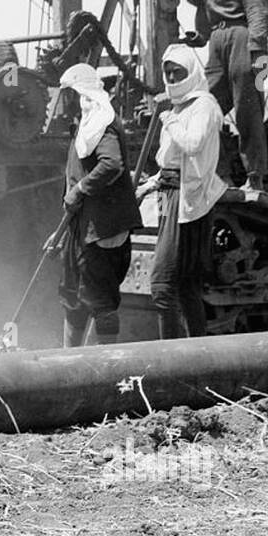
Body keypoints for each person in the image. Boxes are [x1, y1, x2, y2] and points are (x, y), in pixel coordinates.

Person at [42, 64, 142, 346]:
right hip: (83, 227)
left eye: (71, 94)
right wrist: (61, 233)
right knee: (74, 295)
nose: (67, 101)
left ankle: (105, 370)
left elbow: (111, 165)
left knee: (100, 299)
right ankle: (70, 362)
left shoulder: (104, 123)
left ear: (83, 94)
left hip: (102, 229)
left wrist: (81, 188)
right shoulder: (86, 125)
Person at [136, 44, 227, 339]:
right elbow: (169, 161)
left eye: (179, 72)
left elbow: (193, 144)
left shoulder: (203, 105)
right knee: (186, 284)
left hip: (186, 197)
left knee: (162, 284)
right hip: (169, 193)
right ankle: (196, 354)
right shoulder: (179, 107)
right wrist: (147, 186)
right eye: (169, 73)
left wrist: (169, 120)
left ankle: (172, 357)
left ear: (192, 72)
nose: (173, 79)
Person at [179, 0, 268, 192]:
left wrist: (258, 51)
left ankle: (254, 177)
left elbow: (257, 7)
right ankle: (218, 173)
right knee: (204, 107)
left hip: (243, 38)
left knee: (248, 109)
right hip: (217, 40)